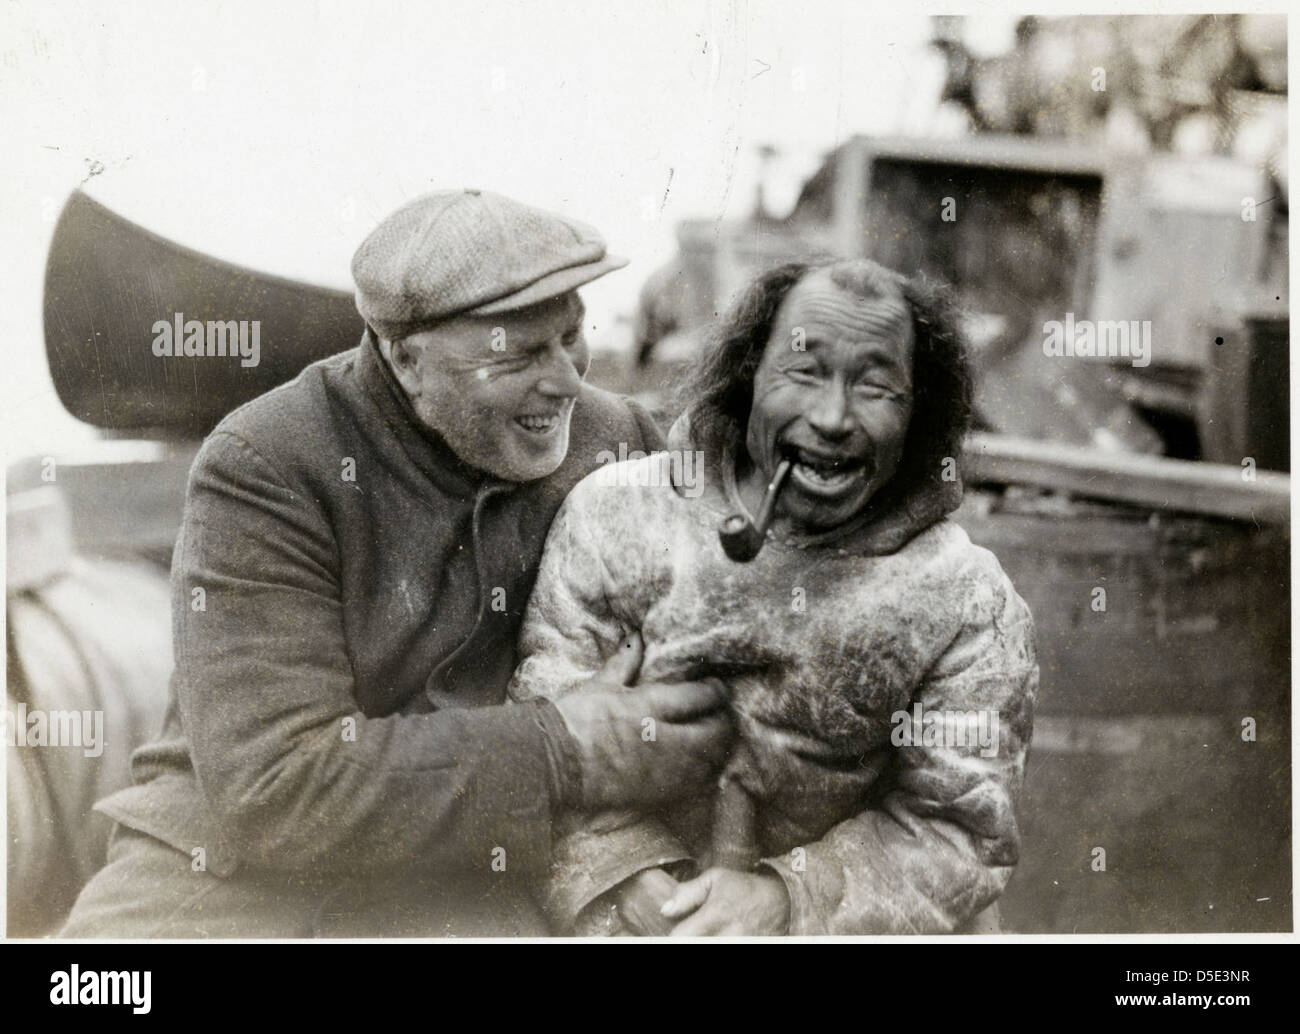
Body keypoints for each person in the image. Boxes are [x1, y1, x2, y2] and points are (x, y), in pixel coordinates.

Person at [60, 189, 731, 938]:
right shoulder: (267, 465)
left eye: (571, 335)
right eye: (521, 353)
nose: (569, 379)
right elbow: (278, 790)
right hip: (229, 874)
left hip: (485, 870)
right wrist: (560, 748)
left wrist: (624, 859)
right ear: (406, 360)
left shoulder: (622, 442)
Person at [509, 258, 1039, 935]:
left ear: (918, 414)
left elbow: (960, 833)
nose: (833, 417)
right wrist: (621, 872)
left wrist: (788, 901)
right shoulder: (618, 516)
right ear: (749, 377)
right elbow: (543, 727)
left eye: (876, 386)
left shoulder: (965, 599)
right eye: (804, 372)